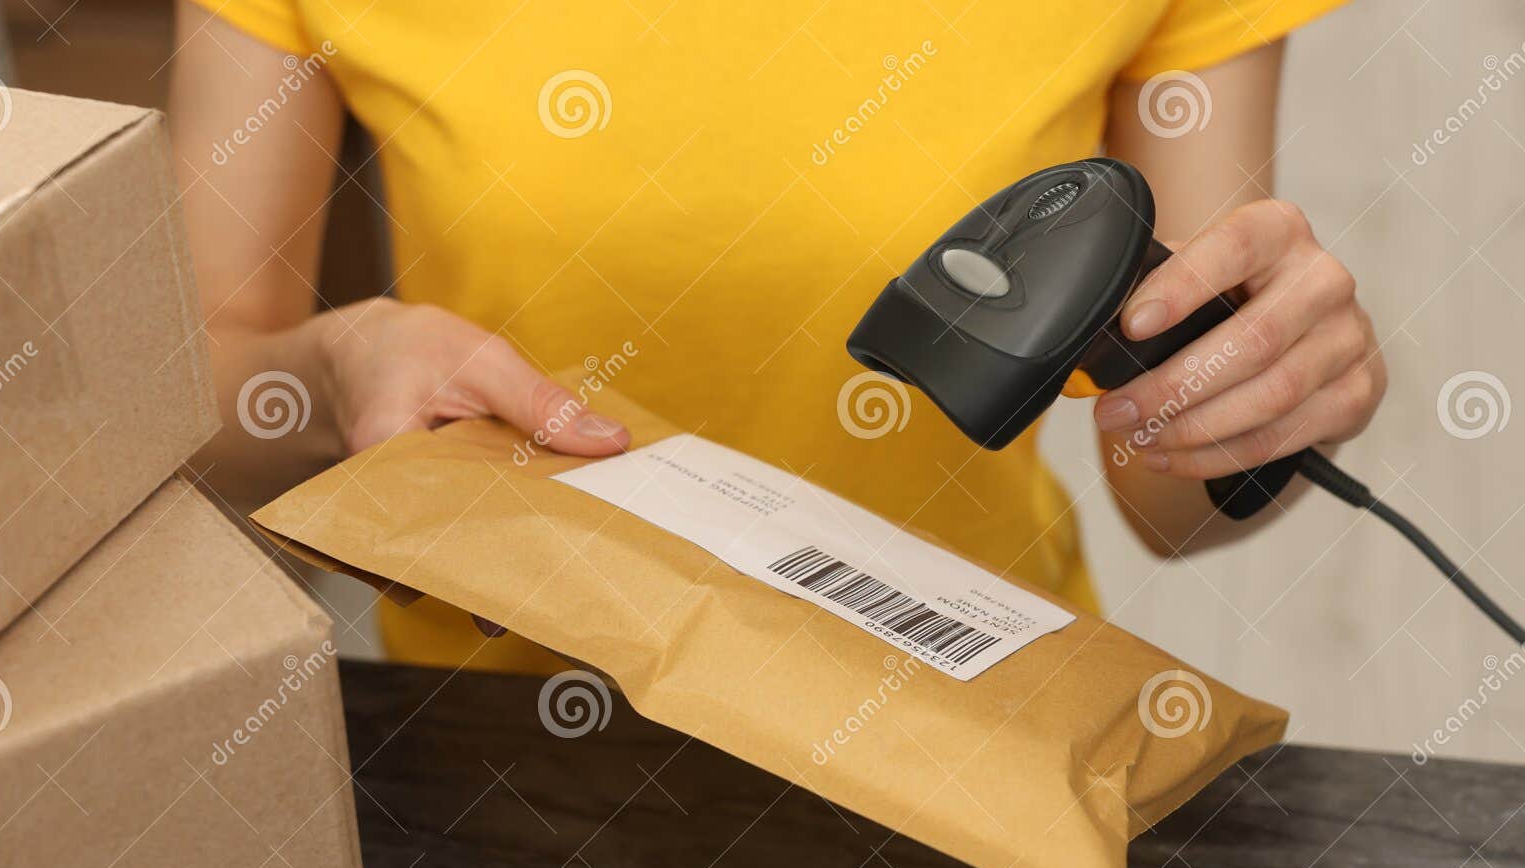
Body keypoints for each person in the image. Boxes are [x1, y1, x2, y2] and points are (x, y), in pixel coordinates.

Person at [170, 0, 1382, 674]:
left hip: (967, 720)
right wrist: (331, 375)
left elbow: (1164, 496)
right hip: (500, 750)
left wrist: (1266, 390)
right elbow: (184, 406)